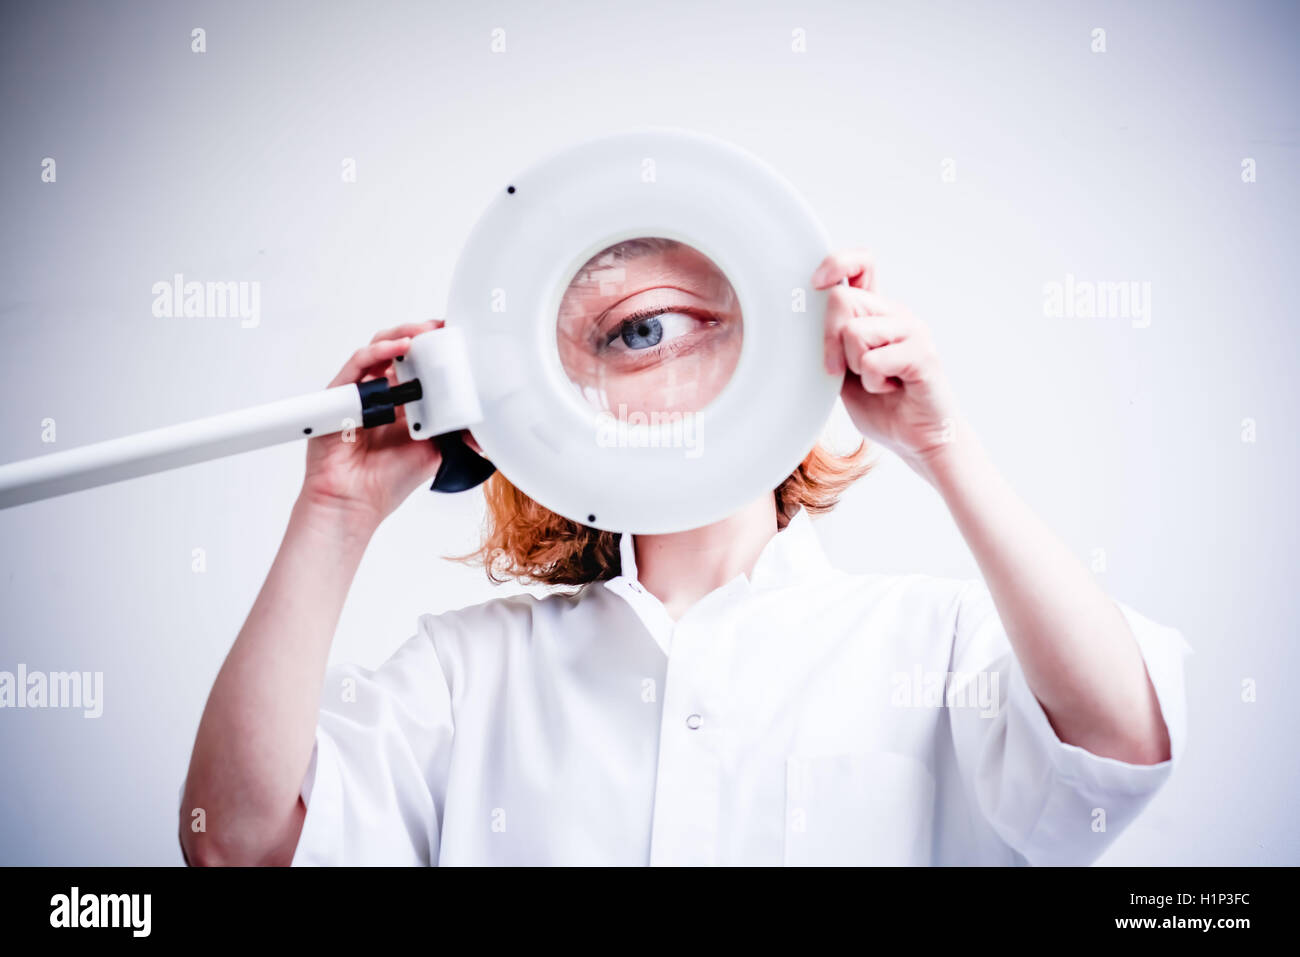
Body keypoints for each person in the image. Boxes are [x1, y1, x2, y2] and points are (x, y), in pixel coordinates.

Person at [179, 247, 1188, 866]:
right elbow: (232, 844)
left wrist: (940, 444)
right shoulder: (462, 674)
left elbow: (1120, 743)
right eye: (623, 335)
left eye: (658, 324)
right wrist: (334, 508)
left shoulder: (933, 639)